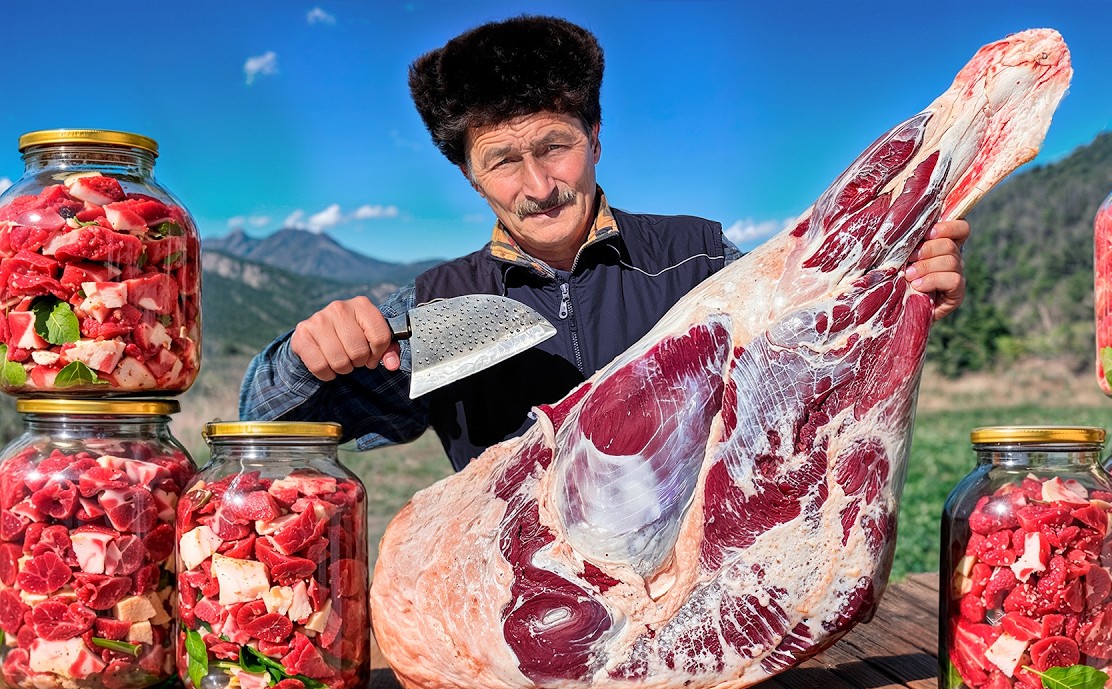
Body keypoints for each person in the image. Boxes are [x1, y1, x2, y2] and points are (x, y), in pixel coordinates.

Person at [239, 15, 969, 472]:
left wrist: (900, 287)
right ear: (470, 177)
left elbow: (815, 364)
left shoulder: (701, 259)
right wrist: (306, 356)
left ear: (594, 139)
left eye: (555, 146)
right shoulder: (442, 308)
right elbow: (263, 429)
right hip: (526, 606)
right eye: (501, 160)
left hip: (705, 594)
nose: (538, 184)